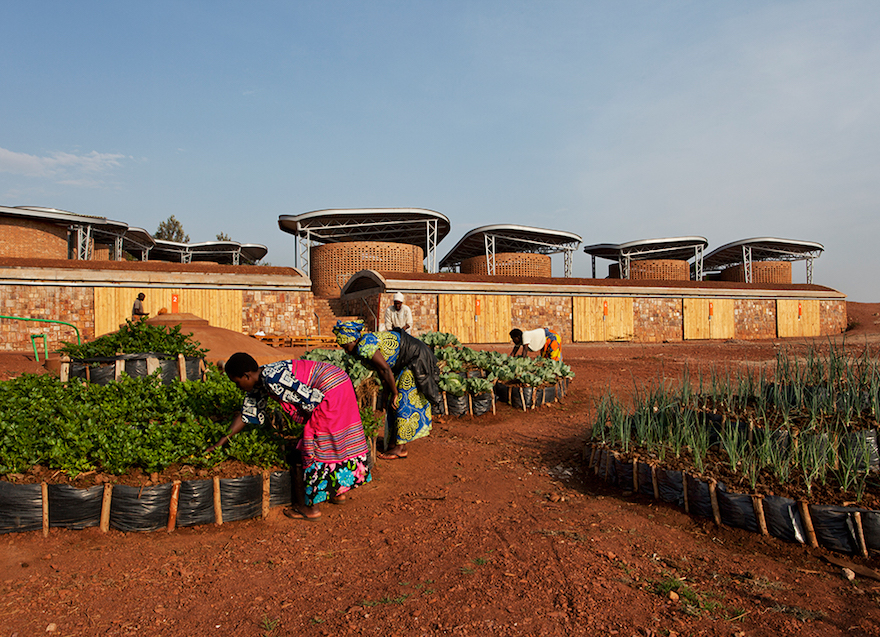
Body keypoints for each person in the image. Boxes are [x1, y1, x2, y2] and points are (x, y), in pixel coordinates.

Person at [206, 352, 371, 520]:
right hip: (338, 381)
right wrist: (220, 442)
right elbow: (246, 415)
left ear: (246, 376)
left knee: (311, 447)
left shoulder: (273, 379)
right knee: (334, 440)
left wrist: (308, 429)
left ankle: (309, 508)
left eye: (236, 382)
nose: (237, 387)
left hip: (333, 388)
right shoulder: (261, 380)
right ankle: (336, 493)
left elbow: (312, 400)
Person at [333, 319, 440, 460]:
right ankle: (394, 442)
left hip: (415, 360)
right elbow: (382, 372)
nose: (346, 351)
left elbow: (385, 369)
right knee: (392, 402)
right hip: (406, 362)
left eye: (346, 346)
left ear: (353, 341)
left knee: (402, 402)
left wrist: (395, 393)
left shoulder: (365, 345)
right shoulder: (364, 344)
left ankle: (400, 448)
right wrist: (386, 394)